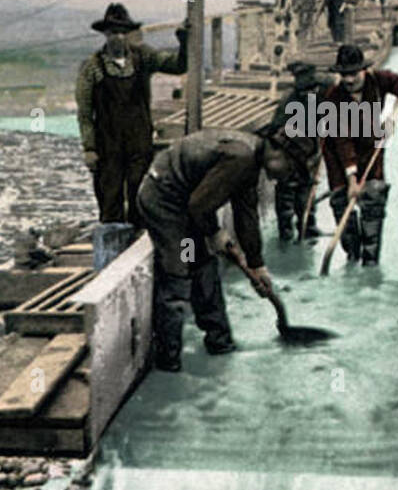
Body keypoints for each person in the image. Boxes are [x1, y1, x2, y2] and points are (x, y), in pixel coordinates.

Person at [136, 125, 318, 370]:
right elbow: (199, 206)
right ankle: (168, 360)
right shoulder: (241, 158)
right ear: (279, 153)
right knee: (178, 271)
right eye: (291, 169)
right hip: (165, 202)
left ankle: (220, 342)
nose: (288, 177)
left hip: (186, 207)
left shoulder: (251, 161)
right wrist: (215, 232)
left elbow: (247, 216)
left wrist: (257, 264)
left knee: (201, 264)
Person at [76, 3, 188, 225]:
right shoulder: (92, 67)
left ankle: (138, 243)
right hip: (108, 146)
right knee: (110, 199)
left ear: (128, 34)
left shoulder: (143, 57)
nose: (118, 37)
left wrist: (184, 40)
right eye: (113, 33)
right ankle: (112, 249)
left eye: (122, 32)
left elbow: (178, 65)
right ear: (105, 34)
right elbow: (85, 112)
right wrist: (89, 148)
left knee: (140, 194)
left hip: (139, 141)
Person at [320, 44, 398, 266]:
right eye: (344, 75)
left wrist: (393, 114)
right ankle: (352, 254)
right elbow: (343, 142)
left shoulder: (378, 81)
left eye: (353, 74)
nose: (349, 80)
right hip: (337, 154)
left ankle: (370, 262)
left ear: (364, 71)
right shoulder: (334, 98)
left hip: (371, 148)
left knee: (374, 199)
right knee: (343, 204)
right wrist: (351, 180)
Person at [272, 61, 334, 243]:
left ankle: (307, 226)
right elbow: (277, 130)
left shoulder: (320, 92)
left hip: (310, 149)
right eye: (308, 89)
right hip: (288, 150)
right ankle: (285, 231)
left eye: (313, 88)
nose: (311, 92)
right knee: (287, 189)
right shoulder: (289, 102)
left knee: (307, 187)